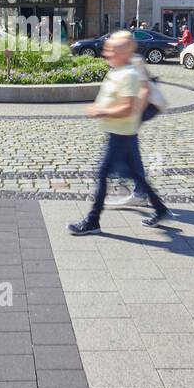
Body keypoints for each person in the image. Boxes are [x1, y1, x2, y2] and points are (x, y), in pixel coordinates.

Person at [69, 30, 171, 235]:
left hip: (121, 134)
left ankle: (93, 220)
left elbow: (127, 107)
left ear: (124, 53)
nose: (105, 52)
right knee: (134, 174)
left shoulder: (129, 74)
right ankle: (160, 209)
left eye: (111, 50)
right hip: (118, 131)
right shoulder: (117, 70)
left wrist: (101, 111)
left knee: (103, 174)